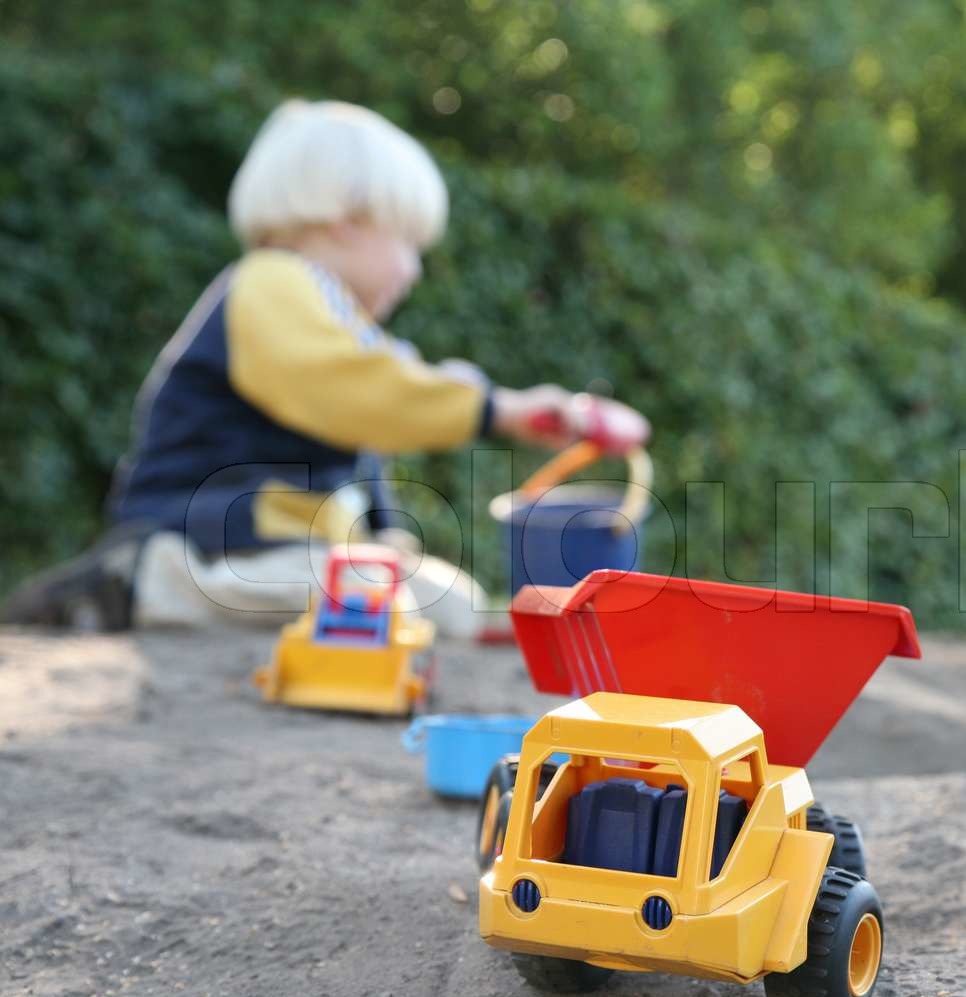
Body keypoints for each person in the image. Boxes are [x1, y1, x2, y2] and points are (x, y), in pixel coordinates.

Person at [0, 100, 648, 638]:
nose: (414, 271)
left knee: (430, 590)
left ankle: (481, 622)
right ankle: (136, 585)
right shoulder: (270, 283)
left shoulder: (345, 326)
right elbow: (356, 394)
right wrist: (497, 406)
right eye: (407, 244)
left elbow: (365, 443)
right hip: (198, 535)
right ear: (344, 219)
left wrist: (389, 536)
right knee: (361, 590)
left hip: (283, 541)